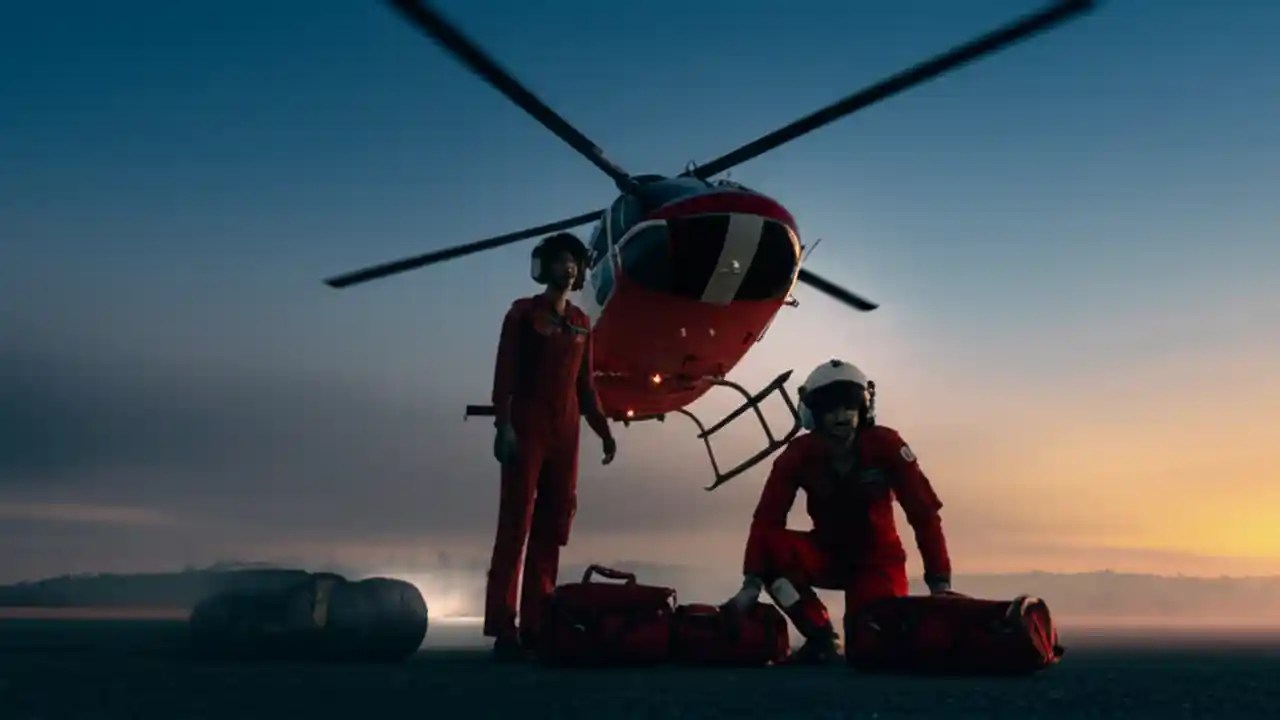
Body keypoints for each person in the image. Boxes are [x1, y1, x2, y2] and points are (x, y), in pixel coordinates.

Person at [722, 359, 953, 664]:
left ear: (863, 408)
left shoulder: (888, 446)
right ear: (815, 414)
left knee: (868, 647)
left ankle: (861, 633)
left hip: (878, 563)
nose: (841, 416)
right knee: (771, 549)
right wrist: (751, 584)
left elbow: (924, 514)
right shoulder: (797, 456)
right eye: (831, 409)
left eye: (849, 406)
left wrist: (939, 584)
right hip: (826, 555)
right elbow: (767, 519)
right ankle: (821, 637)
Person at [483, 231, 617, 661]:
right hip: (528, 427)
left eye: (574, 261)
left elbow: (586, 386)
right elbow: (504, 374)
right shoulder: (522, 314)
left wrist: (603, 430)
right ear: (544, 267)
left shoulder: (581, 322)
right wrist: (503, 425)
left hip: (567, 432)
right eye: (561, 260)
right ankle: (503, 626)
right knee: (515, 524)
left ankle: (537, 624)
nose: (569, 267)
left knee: (554, 526)